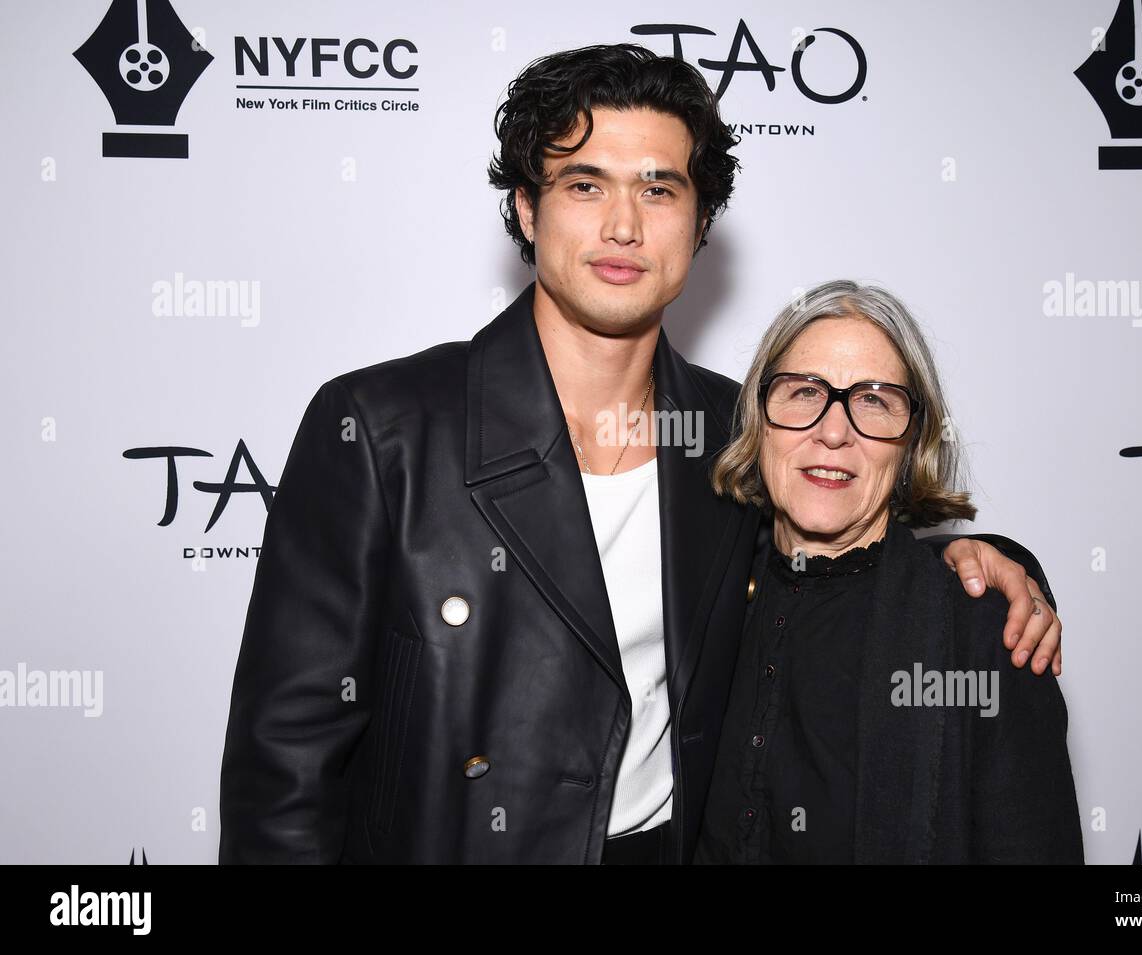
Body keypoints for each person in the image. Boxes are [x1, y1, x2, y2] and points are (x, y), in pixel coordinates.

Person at [218, 45, 1063, 865]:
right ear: (526, 207)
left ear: (699, 224)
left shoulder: (739, 428)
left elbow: (843, 553)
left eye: (659, 189)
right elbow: (284, 765)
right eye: (585, 185)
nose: (623, 226)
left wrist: (977, 562)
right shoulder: (381, 428)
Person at [695, 281, 1084, 864]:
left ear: (912, 441)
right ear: (759, 416)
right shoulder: (706, 590)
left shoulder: (981, 629)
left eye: (875, 400)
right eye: (804, 391)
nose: (833, 431)